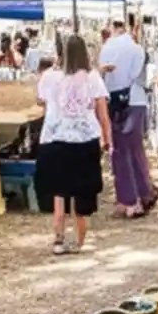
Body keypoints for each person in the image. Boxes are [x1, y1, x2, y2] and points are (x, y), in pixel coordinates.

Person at [36, 36, 111, 254]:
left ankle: (58, 239)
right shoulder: (92, 77)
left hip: (55, 138)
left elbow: (39, 99)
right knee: (82, 193)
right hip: (84, 138)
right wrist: (108, 139)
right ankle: (79, 241)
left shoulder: (50, 77)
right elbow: (103, 114)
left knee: (59, 193)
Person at [99, 20, 158, 217]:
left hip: (115, 102)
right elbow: (143, 77)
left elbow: (103, 78)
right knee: (135, 149)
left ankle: (129, 200)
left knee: (120, 151)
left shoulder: (107, 48)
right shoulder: (136, 49)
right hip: (137, 100)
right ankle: (144, 192)